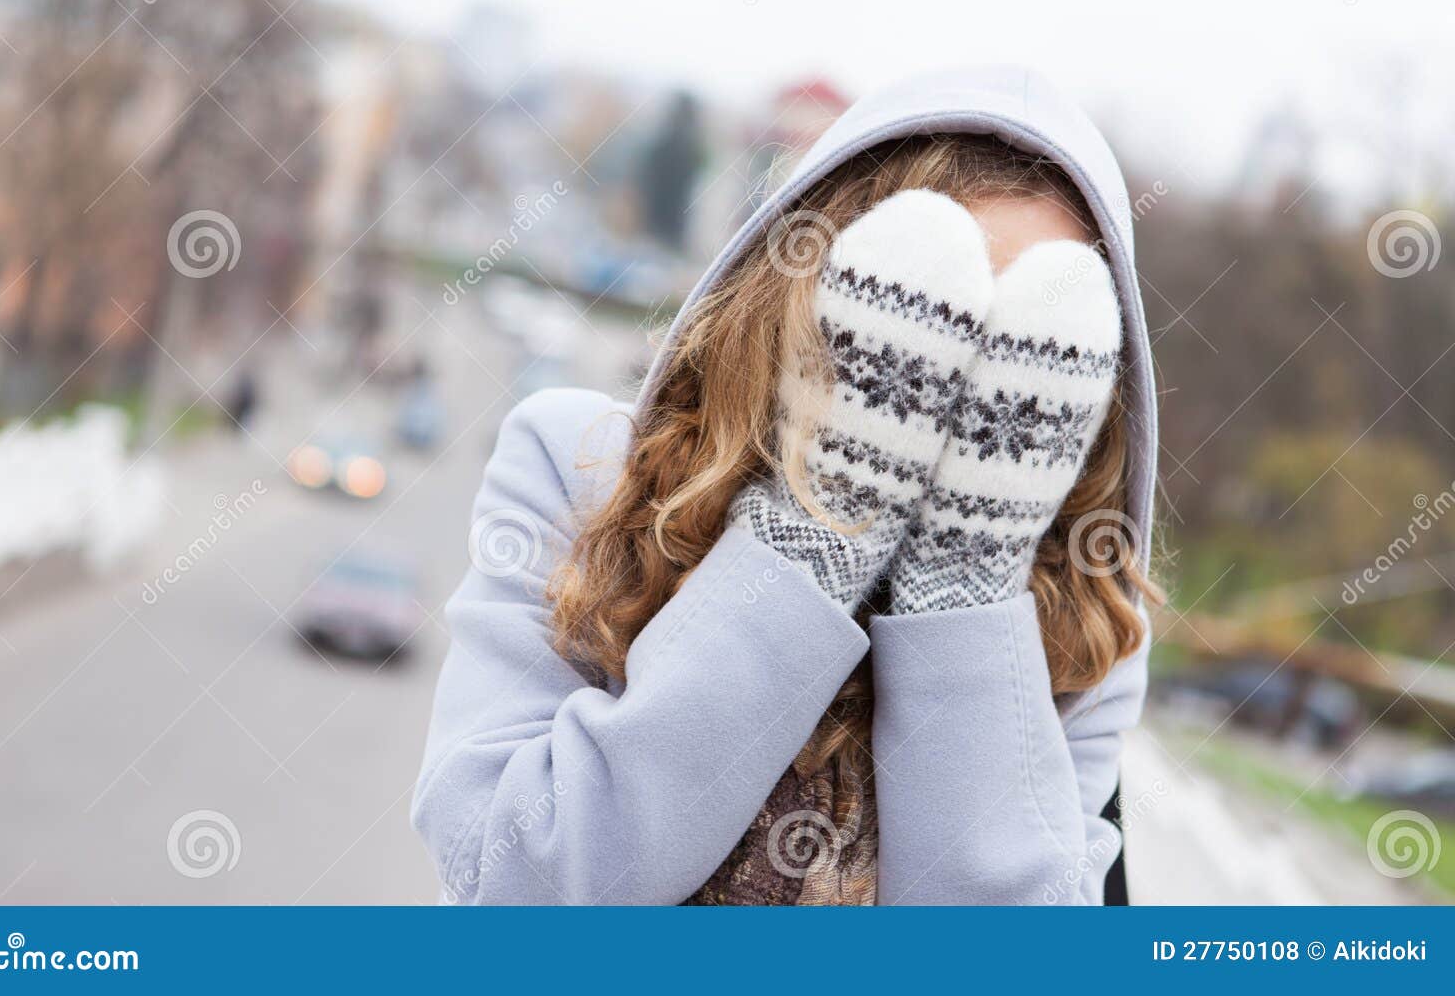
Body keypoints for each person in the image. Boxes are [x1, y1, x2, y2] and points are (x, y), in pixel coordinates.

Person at [412, 67, 1161, 905]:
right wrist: (825, 522)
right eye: (933, 323)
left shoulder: (1080, 628)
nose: (953, 388)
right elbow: (512, 885)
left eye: (1015, 347)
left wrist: (965, 580)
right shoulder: (577, 469)